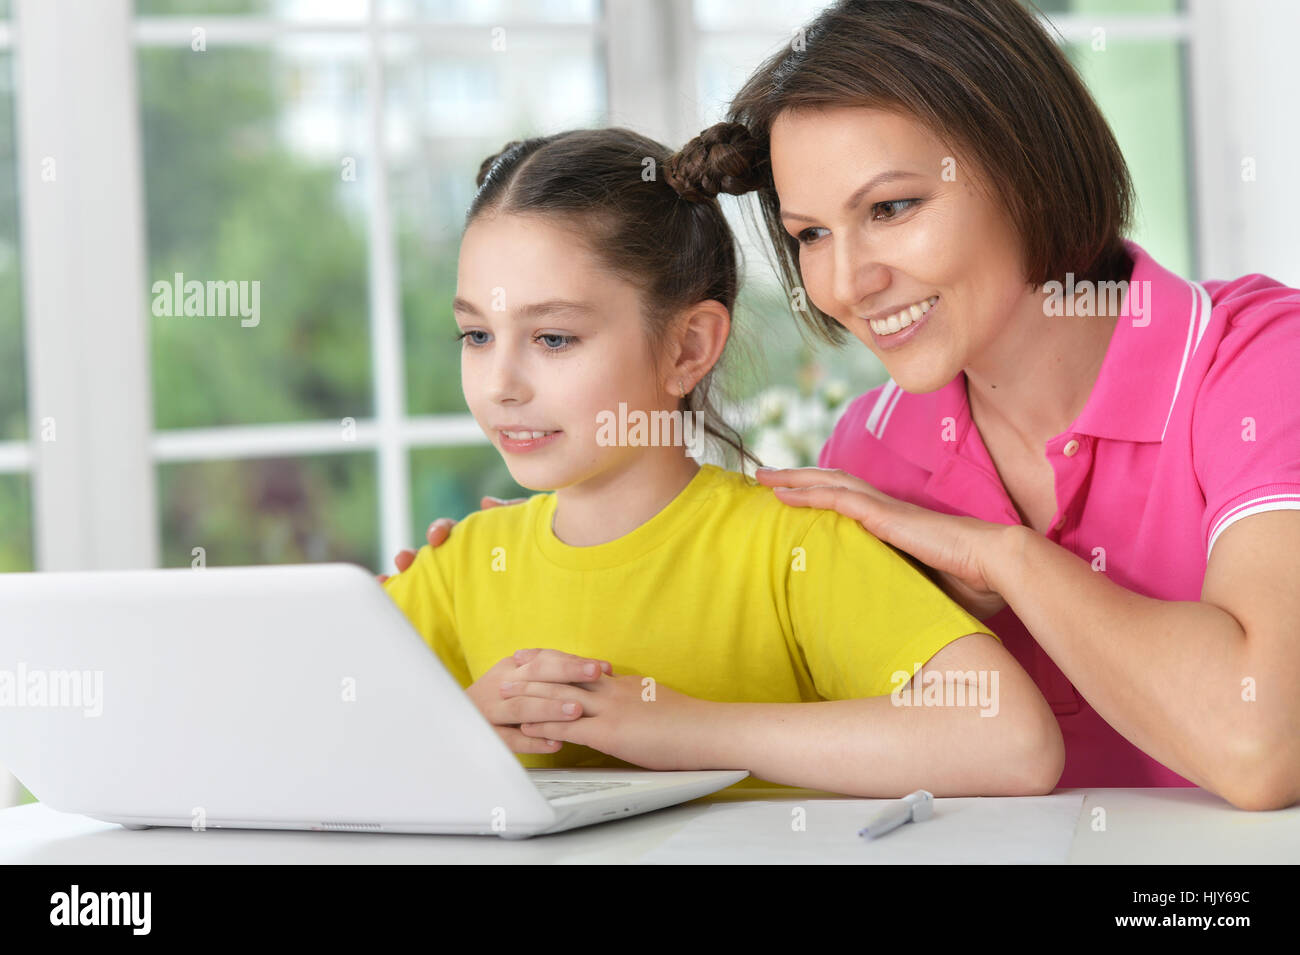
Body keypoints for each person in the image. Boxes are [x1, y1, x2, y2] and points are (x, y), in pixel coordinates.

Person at [399, 0, 1300, 811]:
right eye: (810, 235)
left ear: (1032, 163)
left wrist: (1004, 558)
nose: (847, 280)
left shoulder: (1258, 362)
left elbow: (1261, 746)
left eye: (894, 207)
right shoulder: (873, 454)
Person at [379, 124, 1064, 796]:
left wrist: (687, 730)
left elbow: (1013, 741)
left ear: (688, 348)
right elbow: (298, 736)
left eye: (553, 338)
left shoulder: (795, 546)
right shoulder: (457, 569)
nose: (500, 383)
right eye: (475, 334)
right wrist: (453, 728)